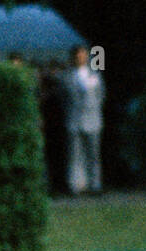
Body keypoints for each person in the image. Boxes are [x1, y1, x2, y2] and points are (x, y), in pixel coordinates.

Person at [62, 44, 104, 195]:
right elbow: (64, 98)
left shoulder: (95, 74)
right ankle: (75, 185)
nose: (80, 58)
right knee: (75, 155)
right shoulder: (67, 76)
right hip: (74, 119)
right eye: (78, 55)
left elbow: (101, 95)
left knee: (93, 154)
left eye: (83, 55)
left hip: (93, 119)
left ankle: (95, 185)